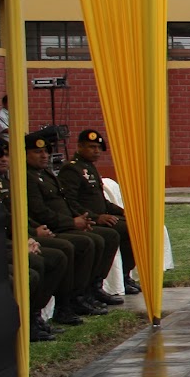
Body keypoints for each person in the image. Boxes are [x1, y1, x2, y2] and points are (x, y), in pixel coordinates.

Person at [23, 131, 120, 317]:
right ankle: (68, 301)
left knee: (103, 237)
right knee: (81, 243)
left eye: (46, 151)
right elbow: (39, 211)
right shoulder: (28, 177)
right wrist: (72, 222)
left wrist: (81, 219)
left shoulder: (45, 174)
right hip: (51, 227)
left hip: (64, 223)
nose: (44, 155)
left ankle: (89, 289)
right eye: (37, 152)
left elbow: (66, 202)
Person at [0, 136, 69, 340]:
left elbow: (16, 216)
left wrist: (29, 234)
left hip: (14, 239)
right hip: (4, 243)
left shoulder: (6, 182)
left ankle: (37, 315)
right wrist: (25, 238)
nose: (3, 159)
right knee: (32, 270)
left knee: (57, 256)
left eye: (6, 154)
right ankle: (25, 322)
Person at [58, 129, 139, 295]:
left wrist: (124, 212)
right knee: (122, 232)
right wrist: (96, 217)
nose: (96, 151)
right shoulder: (71, 170)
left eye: (98, 148)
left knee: (136, 226)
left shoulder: (90, 168)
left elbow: (102, 201)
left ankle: (124, 274)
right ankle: (96, 284)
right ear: (79, 146)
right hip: (89, 220)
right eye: (91, 147)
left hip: (103, 216)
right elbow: (70, 202)